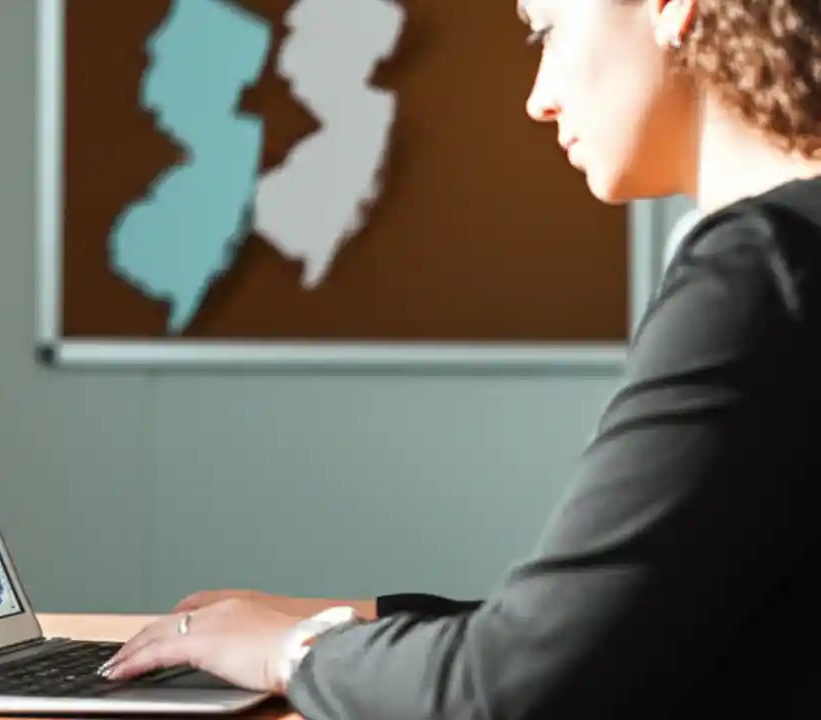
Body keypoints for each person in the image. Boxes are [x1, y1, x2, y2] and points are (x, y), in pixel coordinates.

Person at [96, 0, 821, 717]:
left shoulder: (764, 270)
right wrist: (351, 618)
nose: (538, 99)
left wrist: (291, 652)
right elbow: (639, 629)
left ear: (672, 7)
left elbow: (513, 689)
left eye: (547, 30)